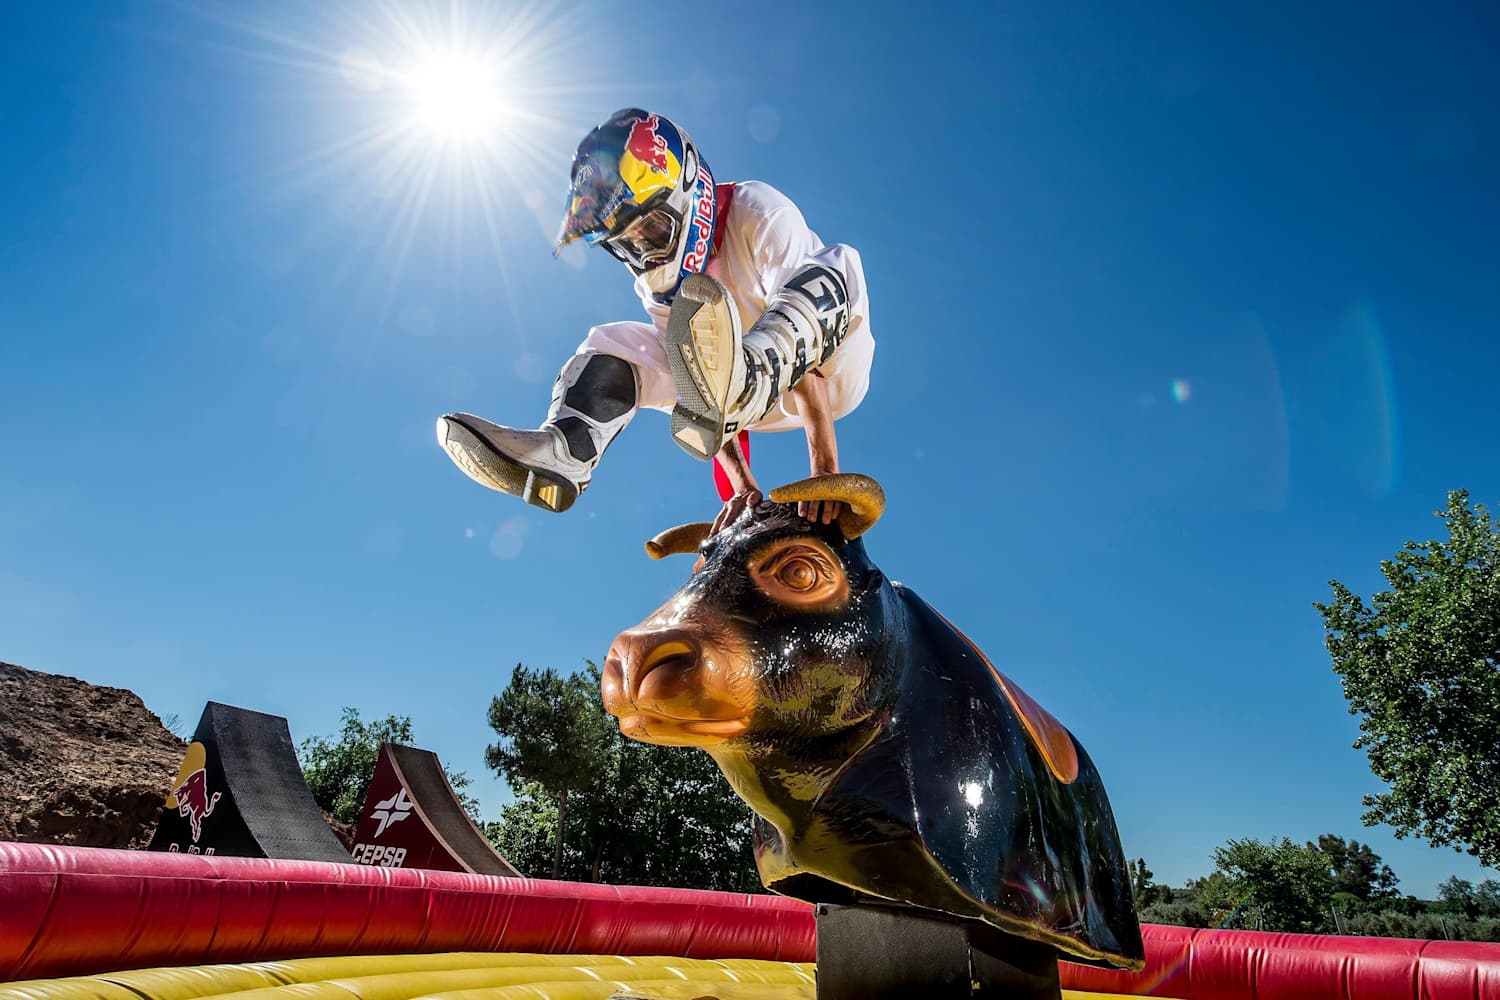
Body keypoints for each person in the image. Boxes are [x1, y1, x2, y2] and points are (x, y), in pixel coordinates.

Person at [436, 108, 873, 532]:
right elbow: (693, 383)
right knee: (614, 342)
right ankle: (566, 449)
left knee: (838, 266)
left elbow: (811, 350)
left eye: (653, 231)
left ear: (689, 193)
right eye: (628, 245)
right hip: (738, 399)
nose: (646, 254)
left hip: (832, 373)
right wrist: (741, 490)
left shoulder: (757, 210)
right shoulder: (656, 284)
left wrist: (824, 469)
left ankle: (745, 377)